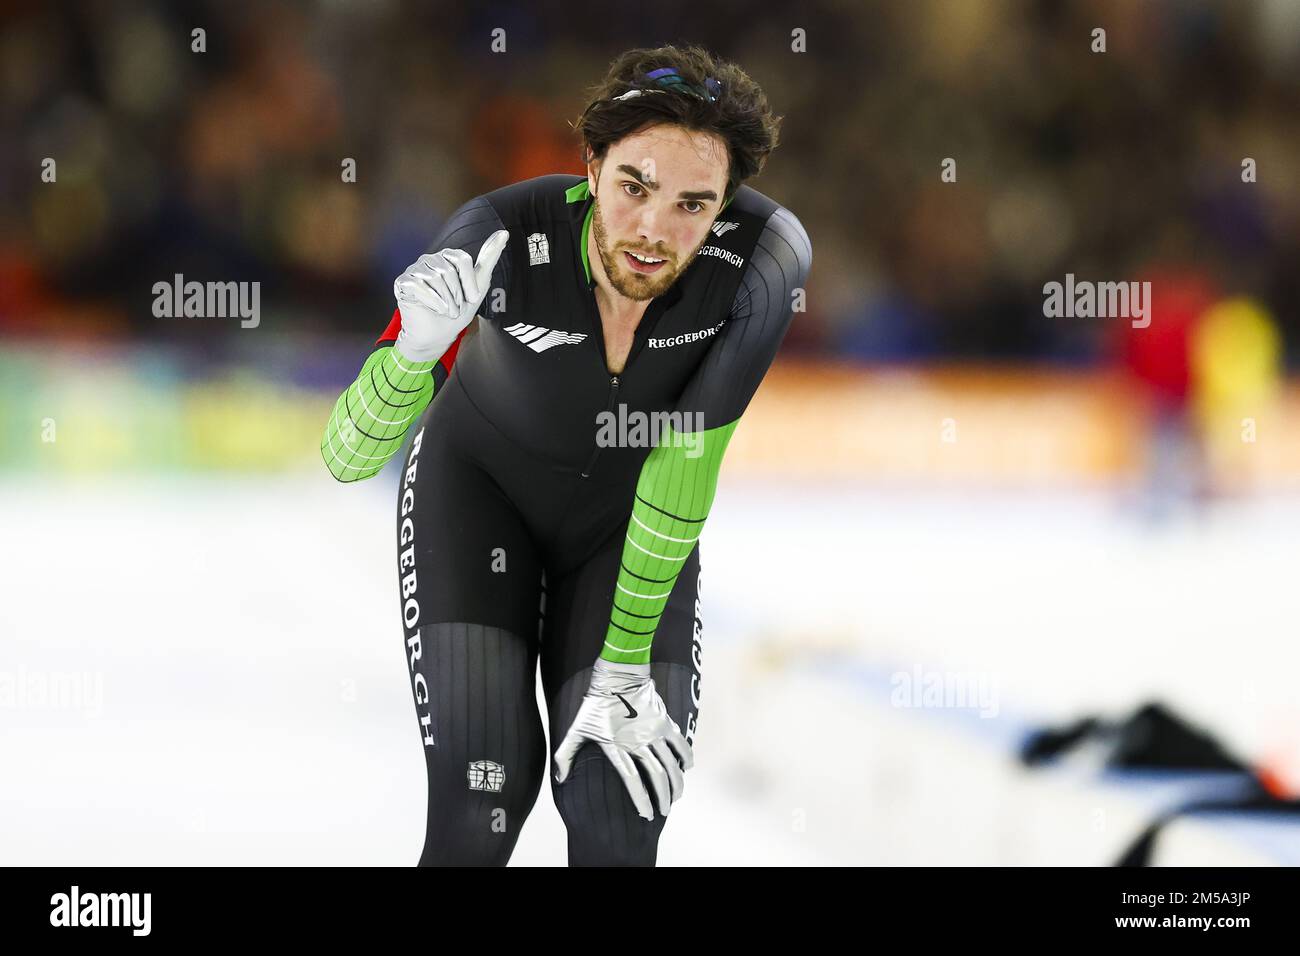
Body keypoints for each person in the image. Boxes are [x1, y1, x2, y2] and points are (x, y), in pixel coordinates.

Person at [320, 44, 811, 866]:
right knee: (484, 799)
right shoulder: (497, 235)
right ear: (590, 166)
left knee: (614, 806)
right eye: (634, 188)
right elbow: (344, 457)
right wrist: (411, 360)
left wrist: (622, 666)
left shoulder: (763, 263)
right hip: (476, 501)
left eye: (695, 205)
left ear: (728, 204)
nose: (655, 230)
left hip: (625, 526)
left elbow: (683, 468)